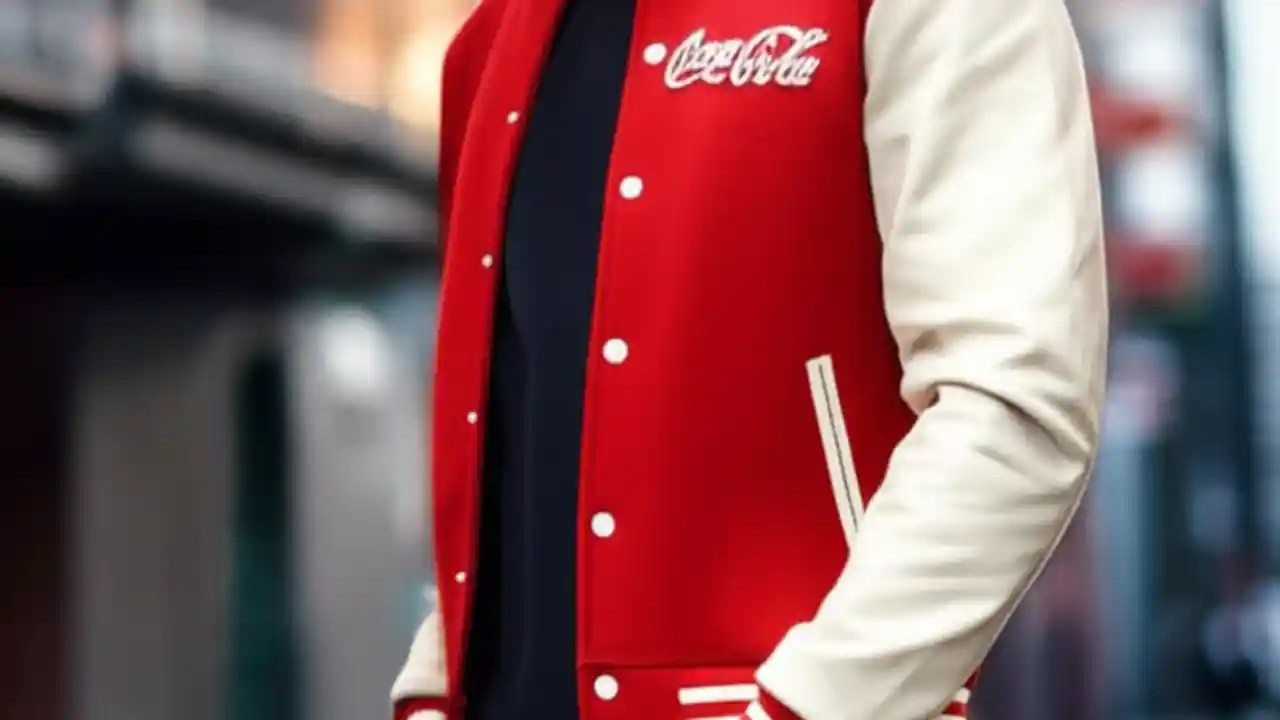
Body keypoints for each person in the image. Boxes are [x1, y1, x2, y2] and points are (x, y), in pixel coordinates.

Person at [392, 0, 1108, 717]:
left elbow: (1015, 399)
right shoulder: (486, 42)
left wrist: (814, 704)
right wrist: (431, 685)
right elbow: (513, 448)